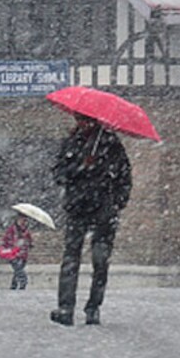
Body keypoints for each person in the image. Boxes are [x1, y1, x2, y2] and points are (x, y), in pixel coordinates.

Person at [50, 115, 132, 326]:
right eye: (79, 120)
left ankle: (93, 306)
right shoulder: (71, 142)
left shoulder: (111, 144)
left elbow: (125, 177)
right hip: (77, 208)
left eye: (86, 121)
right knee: (70, 258)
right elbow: (59, 174)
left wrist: (116, 203)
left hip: (104, 209)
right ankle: (66, 307)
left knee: (100, 260)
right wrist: (81, 167)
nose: (82, 124)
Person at [0, 214, 33, 290]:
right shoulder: (12, 230)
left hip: (23, 254)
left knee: (17, 270)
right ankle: (23, 281)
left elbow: (30, 241)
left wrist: (28, 243)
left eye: (25, 220)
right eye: (21, 220)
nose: (23, 222)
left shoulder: (26, 231)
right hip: (13, 253)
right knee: (18, 269)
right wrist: (12, 244)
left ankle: (14, 285)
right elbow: (6, 240)